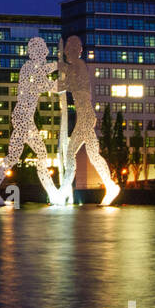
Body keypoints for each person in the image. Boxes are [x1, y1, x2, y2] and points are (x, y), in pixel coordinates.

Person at [0, 37, 62, 205]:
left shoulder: (33, 68)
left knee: (15, 156)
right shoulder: (29, 68)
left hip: (24, 117)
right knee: (39, 153)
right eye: (42, 51)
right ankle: (51, 191)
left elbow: (46, 71)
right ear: (35, 53)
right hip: (23, 117)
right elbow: (49, 85)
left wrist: (59, 66)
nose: (45, 54)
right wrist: (61, 72)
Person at [57, 35, 120, 206]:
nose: (67, 53)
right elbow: (65, 84)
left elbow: (79, 87)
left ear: (73, 51)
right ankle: (110, 185)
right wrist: (62, 78)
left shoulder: (79, 65)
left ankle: (63, 191)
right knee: (93, 154)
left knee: (70, 154)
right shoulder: (74, 67)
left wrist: (63, 79)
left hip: (85, 116)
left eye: (69, 50)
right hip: (85, 116)